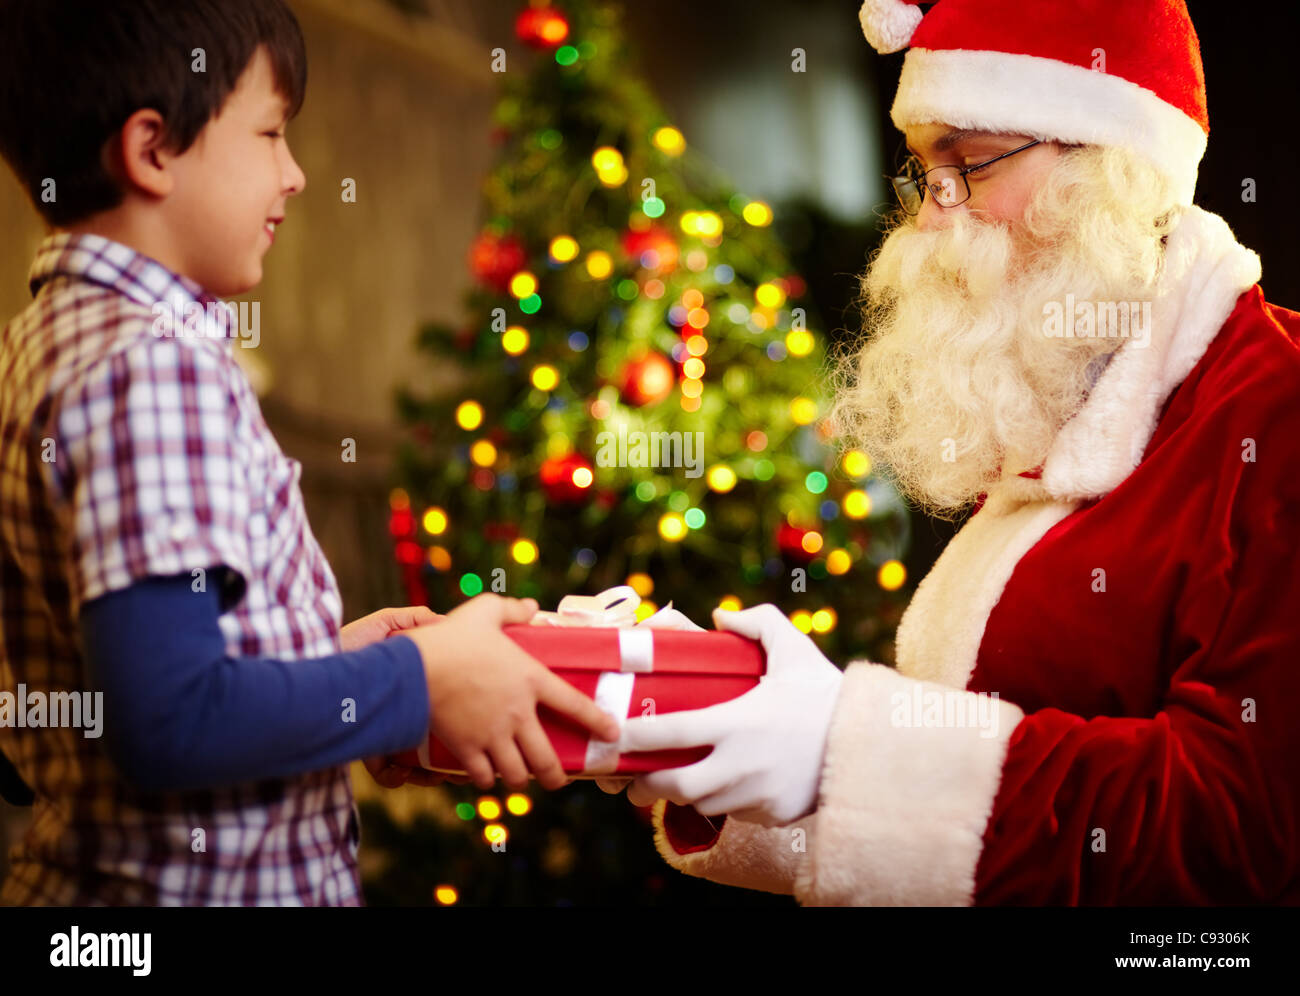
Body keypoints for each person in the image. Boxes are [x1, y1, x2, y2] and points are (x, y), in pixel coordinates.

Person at [601, 0, 1300, 904]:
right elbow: (946, 808)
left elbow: (1237, 829)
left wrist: (836, 746)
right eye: (924, 174)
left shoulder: (1276, 406)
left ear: (1113, 169)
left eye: (968, 165)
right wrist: (711, 725)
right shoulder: (1066, 388)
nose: (932, 223)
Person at [0, 0, 618, 906]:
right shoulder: (153, 369)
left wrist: (332, 660)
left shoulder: (50, 336)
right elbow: (171, 719)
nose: (293, 175)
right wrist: (420, 680)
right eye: (270, 133)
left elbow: (152, 657)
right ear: (152, 150)